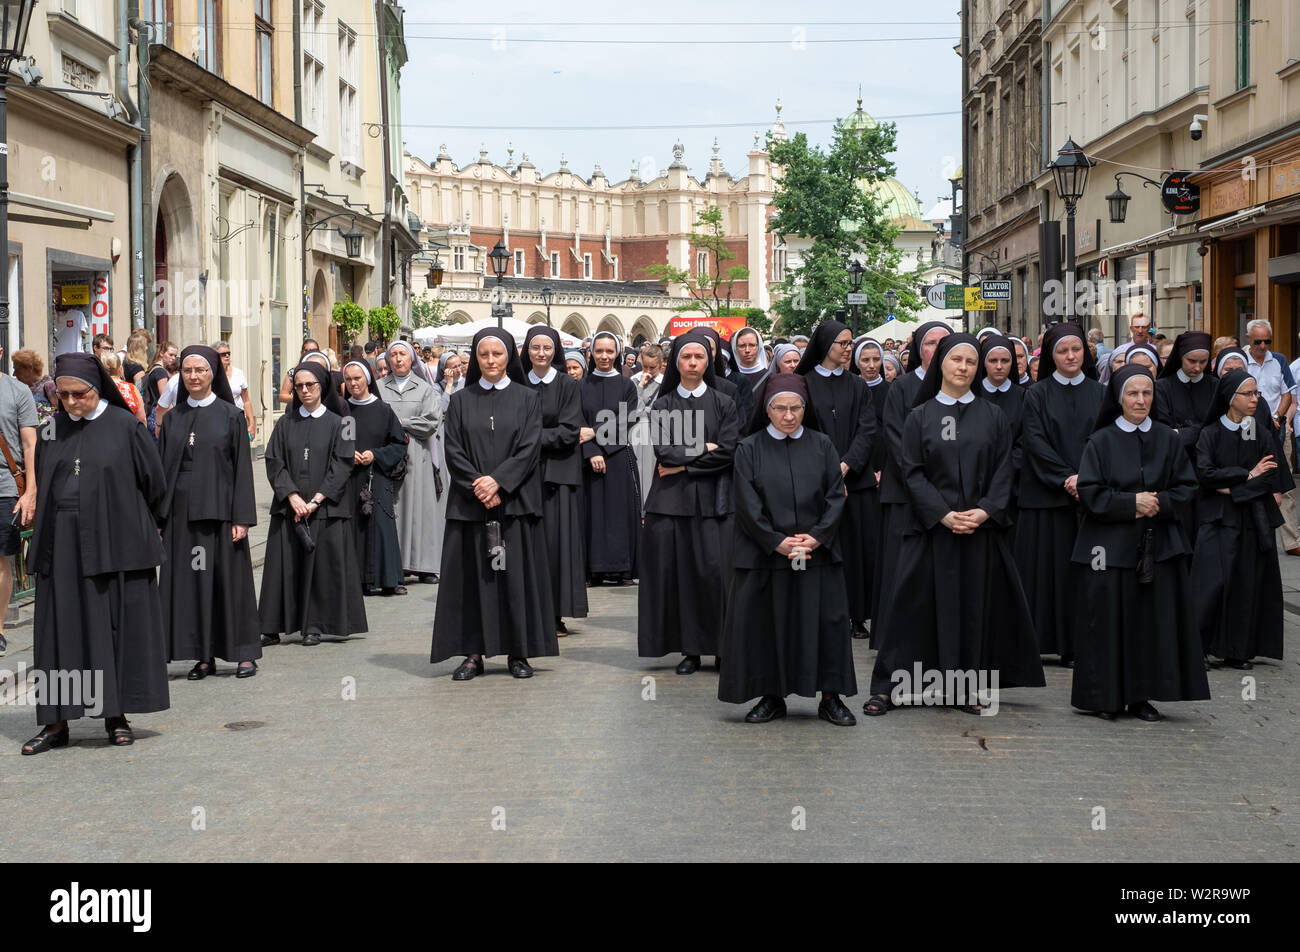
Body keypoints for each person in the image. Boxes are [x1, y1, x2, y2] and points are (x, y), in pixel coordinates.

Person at [863, 334, 1044, 716]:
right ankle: (891, 688)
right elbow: (910, 472)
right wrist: (942, 513)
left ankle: (964, 689)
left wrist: (985, 511)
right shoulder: (920, 415)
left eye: (971, 362)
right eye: (956, 360)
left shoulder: (992, 416)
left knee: (972, 608)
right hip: (929, 529)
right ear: (941, 363)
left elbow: (1003, 470)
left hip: (979, 530)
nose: (963, 368)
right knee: (911, 608)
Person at [22, 353, 168, 754]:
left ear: (97, 388)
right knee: (59, 632)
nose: (70, 403)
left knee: (109, 629)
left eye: (79, 395)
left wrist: (148, 525)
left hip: (114, 541)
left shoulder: (125, 427)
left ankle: (115, 715)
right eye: (63, 395)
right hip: (61, 544)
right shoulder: (53, 430)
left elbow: (154, 483)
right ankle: (55, 723)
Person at [1070, 364, 1208, 721]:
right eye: (1132, 393)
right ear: (1118, 398)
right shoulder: (1100, 440)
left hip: (1159, 545)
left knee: (1150, 623)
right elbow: (1090, 492)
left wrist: (1157, 503)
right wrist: (1131, 504)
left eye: (1147, 393)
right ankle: (1104, 696)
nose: (1140, 400)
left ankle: (1141, 696)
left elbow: (1187, 487)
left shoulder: (1168, 438)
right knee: (1108, 623)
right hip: (1109, 548)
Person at [718, 372, 856, 726]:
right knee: (768, 625)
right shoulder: (749, 448)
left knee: (825, 623)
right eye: (780, 408)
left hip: (816, 552)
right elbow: (747, 503)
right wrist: (775, 541)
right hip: (766, 554)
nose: (789, 415)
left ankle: (831, 697)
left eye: (796, 408)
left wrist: (818, 536)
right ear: (767, 410)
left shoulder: (823, 444)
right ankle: (771, 696)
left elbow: (835, 495)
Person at [431, 327, 555, 680]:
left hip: (514, 502)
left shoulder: (528, 398)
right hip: (471, 505)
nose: (490, 361)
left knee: (514, 578)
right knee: (474, 580)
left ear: (509, 357)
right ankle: (473, 653)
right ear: (476, 357)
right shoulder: (460, 401)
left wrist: (499, 481)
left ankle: (518, 652)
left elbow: (530, 447)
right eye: (483, 355)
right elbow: (452, 449)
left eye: (497, 354)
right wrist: (479, 486)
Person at [638, 332, 739, 674]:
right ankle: (691, 650)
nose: (693, 363)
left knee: (716, 575)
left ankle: (724, 648)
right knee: (682, 577)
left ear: (708, 362)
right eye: (686, 357)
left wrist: (683, 464)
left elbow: (728, 452)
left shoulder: (724, 403)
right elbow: (664, 451)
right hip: (673, 503)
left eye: (699, 357)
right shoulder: (663, 405)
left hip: (715, 501)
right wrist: (703, 448)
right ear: (675, 363)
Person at [158, 345, 260, 679]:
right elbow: (161, 471)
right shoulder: (173, 418)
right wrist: (159, 518)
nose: (193, 377)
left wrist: (242, 517)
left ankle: (243, 652)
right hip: (182, 517)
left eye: (200, 370)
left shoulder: (231, 416)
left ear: (212, 373)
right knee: (191, 586)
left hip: (221, 514)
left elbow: (242, 469)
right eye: (187, 371)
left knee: (229, 584)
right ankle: (202, 654)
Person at [258, 360, 367, 646]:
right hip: (290, 506)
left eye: (310, 385)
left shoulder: (342, 423)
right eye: (299, 387)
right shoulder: (284, 423)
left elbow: (343, 464)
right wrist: (292, 496)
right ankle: (275, 624)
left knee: (320, 567)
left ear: (322, 386)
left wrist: (317, 499)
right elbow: (273, 461)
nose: (305, 391)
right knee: (286, 565)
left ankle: (315, 624)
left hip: (327, 507)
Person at [1016, 322, 1105, 667]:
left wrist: (1086, 478)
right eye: (1063, 351)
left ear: (1085, 352)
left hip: (1088, 496)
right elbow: (1035, 442)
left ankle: (1075, 644)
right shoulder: (1036, 394)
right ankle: (1039, 641)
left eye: (1076, 350)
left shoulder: (1099, 393)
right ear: (1051, 357)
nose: (1071, 356)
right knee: (1044, 573)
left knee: (1079, 574)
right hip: (1046, 496)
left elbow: (1102, 440)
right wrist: (1067, 477)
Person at [1190, 369, 1285, 670]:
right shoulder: (1210, 433)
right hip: (1218, 519)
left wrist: (1231, 487)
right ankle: (1199, 647)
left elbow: (1270, 475)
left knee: (1246, 585)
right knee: (1212, 583)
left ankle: (1237, 650)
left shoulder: (1260, 431)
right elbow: (1204, 475)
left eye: (1257, 393)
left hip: (1252, 519)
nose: (1255, 399)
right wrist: (1246, 474)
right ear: (1231, 399)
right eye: (1249, 394)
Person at [796, 321, 877, 638]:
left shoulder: (858, 386)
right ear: (826, 344)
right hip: (814, 482)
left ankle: (857, 615)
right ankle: (819, 613)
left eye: (850, 343)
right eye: (842, 343)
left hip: (854, 483)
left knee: (856, 550)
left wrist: (845, 466)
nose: (848, 348)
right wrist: (828, 471)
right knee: (820, 548)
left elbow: (867, 430)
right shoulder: (803, 383)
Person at [876, 320, 952, 645]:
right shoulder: (901, 387)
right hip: (905, 493)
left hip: (950, 496)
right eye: (930, 343)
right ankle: (897, 638)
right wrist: (923, 482)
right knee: (902, 569)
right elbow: (895, 439)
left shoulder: (960, 388)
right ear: (919, 348)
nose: (937, 349)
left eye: (943, 343)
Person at [524, 326, 589, 636]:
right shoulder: (518, 383)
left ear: (555, 352)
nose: (541, 353)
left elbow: (569, 432)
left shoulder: (567, 385)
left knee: (555, 546)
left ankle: (554, 615)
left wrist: (530, 439)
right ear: (526, 351)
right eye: (535, 347)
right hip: (523, 474)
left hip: (558, 475)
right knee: (526, 544)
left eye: (546, 348)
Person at [341, 360, 409, 597]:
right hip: (350, 477)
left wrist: (375, 454)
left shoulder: (383, 410)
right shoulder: (343, 411)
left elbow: (399, 443)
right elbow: (337, 442)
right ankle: (358, 580)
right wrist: (349, 454)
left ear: (367, 379)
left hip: (376, 475)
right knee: (353, 527)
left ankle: (389, 579)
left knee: (381, 525)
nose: (353, 383)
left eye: (357, 378)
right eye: (348, 379)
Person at [380, 341, 444, 584]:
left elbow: (430, 422)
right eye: (393, 354)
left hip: (417, 454)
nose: (398, 359)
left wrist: (400, 422)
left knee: (419, 510)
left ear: (412, 359)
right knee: (393, 509)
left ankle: (423, 565)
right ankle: (396, 565)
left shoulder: (425, 389)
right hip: (387, 456)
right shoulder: (378, 388)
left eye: (402, 354)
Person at [581, 331, 640, 584]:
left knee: (619, 514)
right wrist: (592, 452)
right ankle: (594, 569)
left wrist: (595, 436)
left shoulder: (628, 386)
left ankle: (621, 568)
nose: (604, 356)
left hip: (618, 457)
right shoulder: (580, 386)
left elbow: (627, 420)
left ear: (618, 353)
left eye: (609, 351)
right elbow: (577, 422)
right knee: (592, 515)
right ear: (591, 354)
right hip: (588, 459)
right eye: (599, 351)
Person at [0, 347, 37, 658]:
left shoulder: (17, 391)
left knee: (2, 560)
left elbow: (30, 445)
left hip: (4, 486)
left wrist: (31, 491)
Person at [726, 326, 769, 423]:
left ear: (759, 347)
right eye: (742, 346)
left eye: (752, 345)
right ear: (735, 348)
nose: (747, 350)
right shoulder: (729, 377)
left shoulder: (770, 378)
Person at [214, 342, 256, 441]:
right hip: (218, 421)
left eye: (229, 353)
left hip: (237, 419)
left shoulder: (238, 373)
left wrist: (252, 424)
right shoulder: (212, 375)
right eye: (223, 354)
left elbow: (246, 400)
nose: (227, 356)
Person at [10, 348, 58, 430]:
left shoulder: (48, 386)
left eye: (17, 369)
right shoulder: (21, 390)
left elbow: (57, 414)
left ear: (29, 368)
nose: (14, 374)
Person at [100, 352, 147, 426]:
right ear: (120, 369)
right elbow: (142, 418)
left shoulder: (97, 389)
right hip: (128, 432)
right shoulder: (131, 389)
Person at [143, 341, 178, 437]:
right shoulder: (160, 372)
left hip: (152, 413)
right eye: (170, 354)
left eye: (175, 355)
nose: (173, 358)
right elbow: (165, 398)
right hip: (156, 415)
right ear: (161, 353)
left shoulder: (153, 368)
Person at [277, 338, 322, 406]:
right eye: (306, 350)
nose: (309, 353)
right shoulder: (293, 372)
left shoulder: (323, 372)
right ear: (302, 352)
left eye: (313, 350)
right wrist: (300, 397)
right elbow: (282, 396)